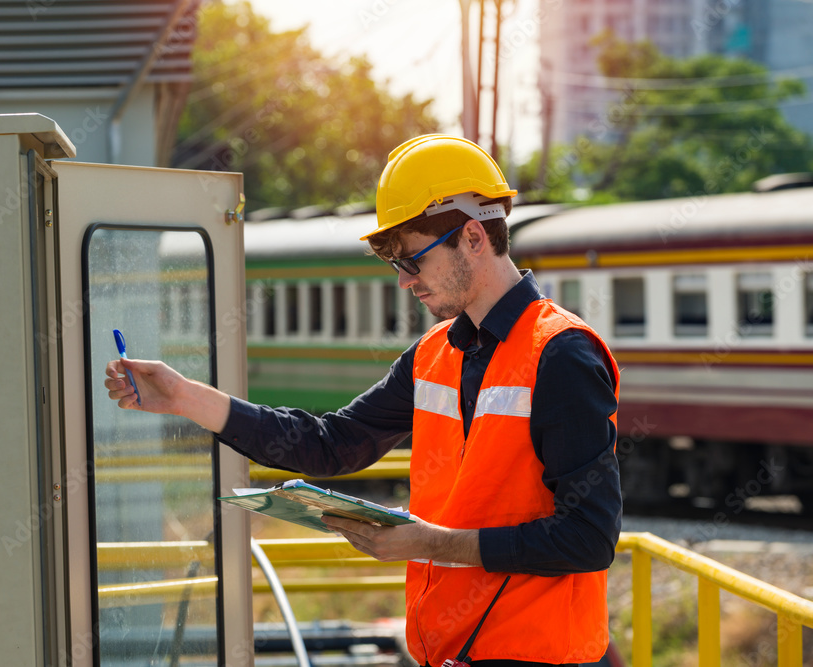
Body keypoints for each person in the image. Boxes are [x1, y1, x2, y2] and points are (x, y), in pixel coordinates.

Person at [104, 134, 621, 667]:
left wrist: (429, 543)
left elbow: (587, 538)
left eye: (412, 261)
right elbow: (334, 445)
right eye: (395, 265)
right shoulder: (434, 355)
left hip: (541, 657)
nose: (404, 283)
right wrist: (187, 398)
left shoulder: (561, 355)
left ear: (472, 237)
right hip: (453, 652)